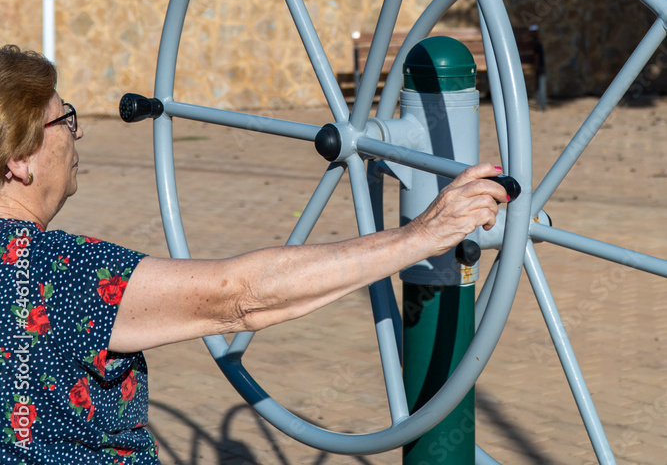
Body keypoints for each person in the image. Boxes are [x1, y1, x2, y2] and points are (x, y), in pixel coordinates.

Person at [0, 44, 506, 463]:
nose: (78, 131)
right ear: (22, 161)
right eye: (65, 120)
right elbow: (240, 298)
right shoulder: (61, 274)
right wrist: (423, 235)